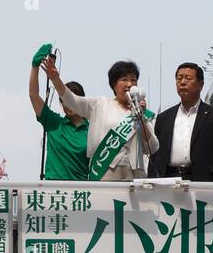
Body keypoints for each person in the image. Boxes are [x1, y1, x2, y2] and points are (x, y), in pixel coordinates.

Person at [45, 57, 158, 181]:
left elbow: (152, 147)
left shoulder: (141, 111)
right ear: (114, 85)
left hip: (135, 174)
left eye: (133, 80)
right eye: (124, 80)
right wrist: (56, 80)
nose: (129, 84)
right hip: (106, 171)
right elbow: (73, 101)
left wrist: (141, 118)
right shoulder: (101, 104)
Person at [147, 62, 213, 181]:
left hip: (203, 181)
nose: (182, 82)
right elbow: (155, 156)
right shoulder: (163, 118)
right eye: (179, 78)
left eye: (188, 78)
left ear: (200, 85)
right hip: (169, 180)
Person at [29, 47, 89, 180]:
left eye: (72, 99)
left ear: (82, 100)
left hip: (82, 194)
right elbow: (33, 95)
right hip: (53, 192)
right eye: (63, 101)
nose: (68, 105)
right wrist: (35, 67)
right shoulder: (54, 123)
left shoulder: (93, 129)